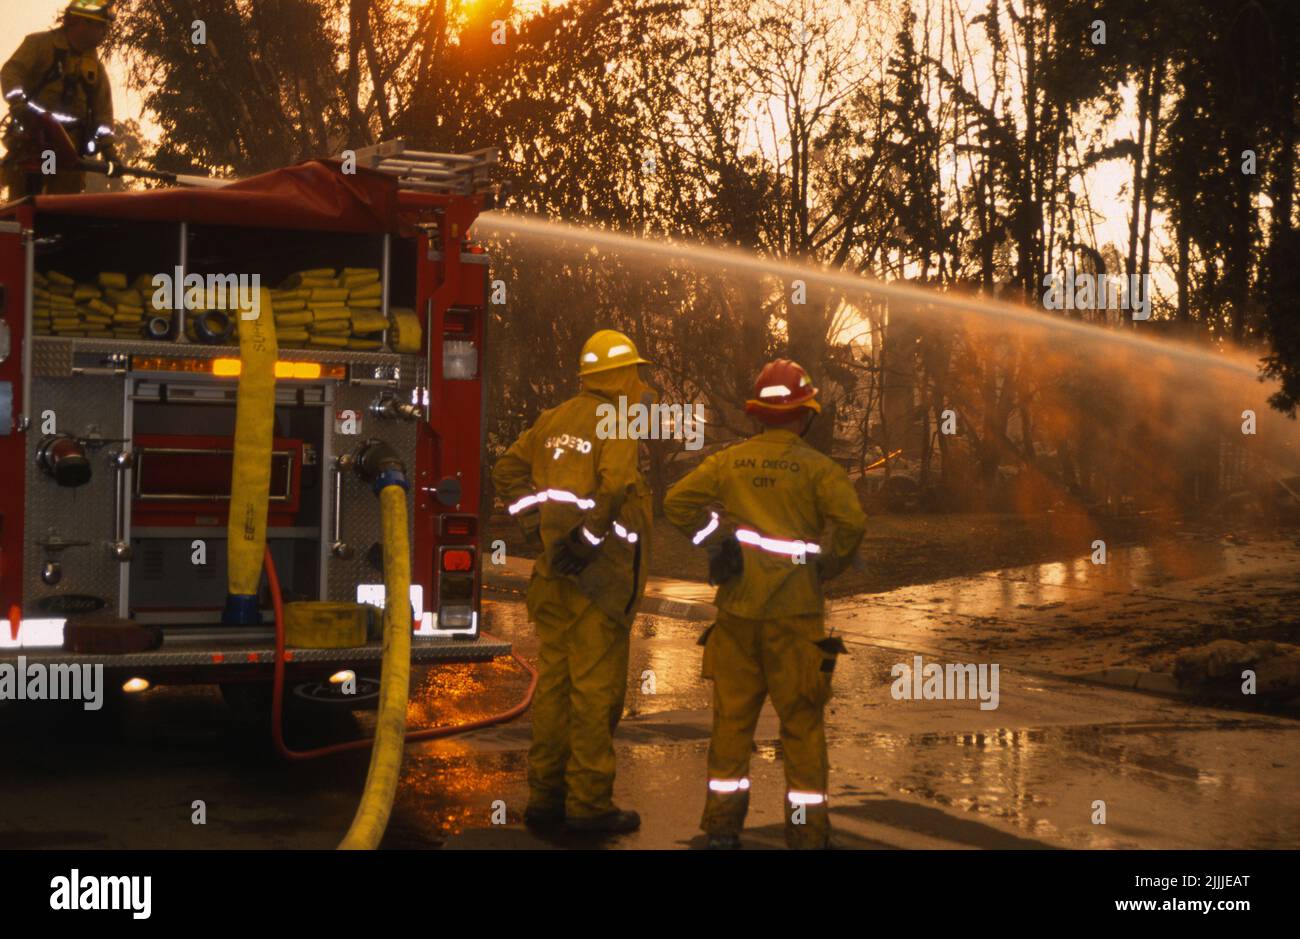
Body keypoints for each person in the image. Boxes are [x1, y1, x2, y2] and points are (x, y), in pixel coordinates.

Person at [663, 358, 866, 849]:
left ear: (757, 413)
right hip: (795, 619)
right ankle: (806, 835)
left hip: (735, 615)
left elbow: (675, 503)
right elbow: (852, 524)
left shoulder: (729, 461)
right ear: (806, 414)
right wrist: (825, 566)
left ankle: (720, 830)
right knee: (801, 728)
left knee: (731, 725)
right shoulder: (818, 469)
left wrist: (716, 540)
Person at [492, 329, 655, 833]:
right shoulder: (618, 418)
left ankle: (545, 798)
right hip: (599, 579)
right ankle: (588, 806)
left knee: (557, 688)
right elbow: (615, 485)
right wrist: (589, 538)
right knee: (595, 694)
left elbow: (506, 470)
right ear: (624, 375)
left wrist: (531, 525)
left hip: (553, 575)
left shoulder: (553, 419)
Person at [2, 1, 117, 200]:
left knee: (59, 211)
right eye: (101, 26)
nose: (105, 32)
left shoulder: (95, 68)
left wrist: (110, 153)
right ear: (82, 22)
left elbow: (103, 114)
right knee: (26, 206)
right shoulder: (40, 45)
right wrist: (19, 104)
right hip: (34, 145)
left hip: (68, 155)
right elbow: (12, 72)